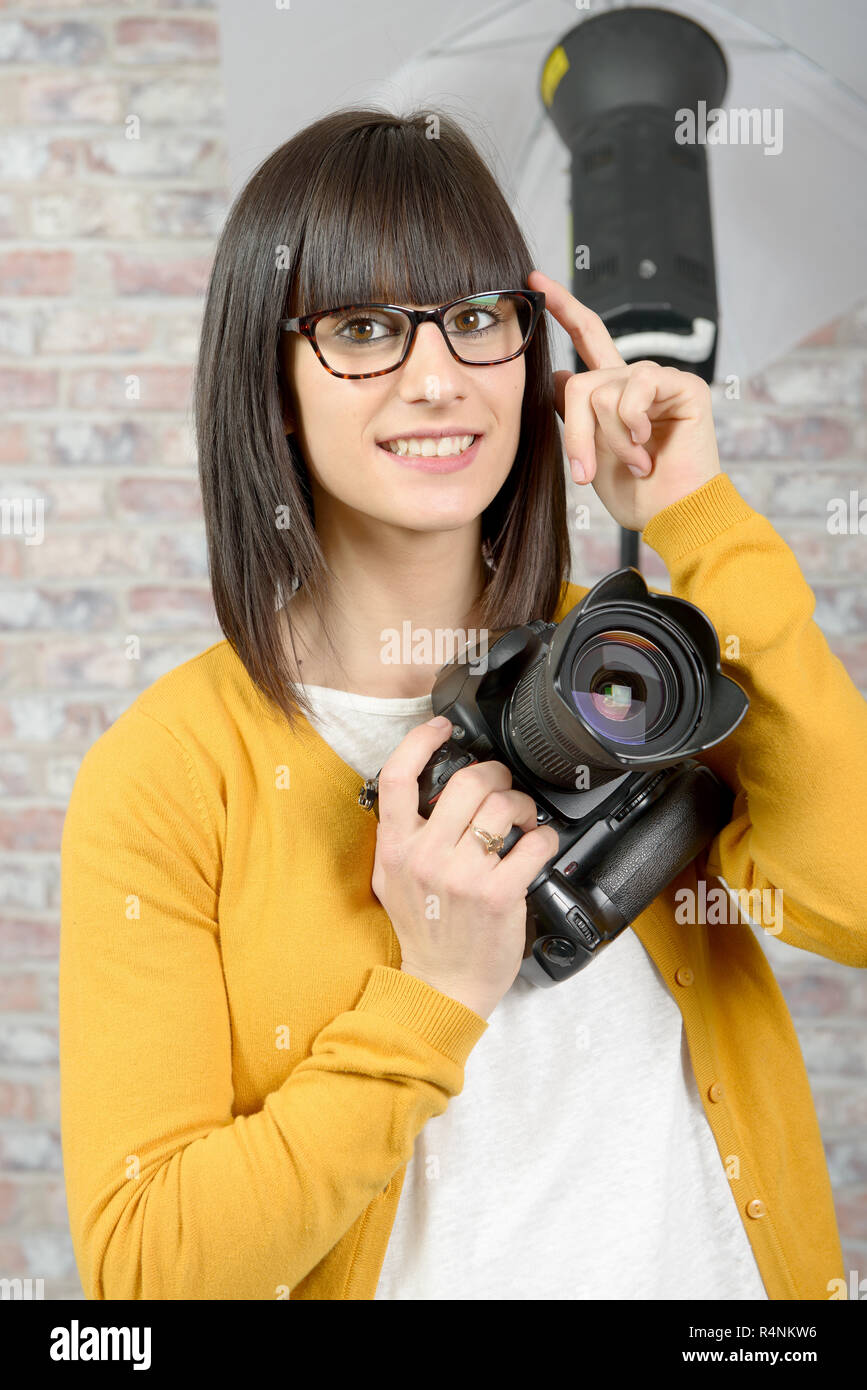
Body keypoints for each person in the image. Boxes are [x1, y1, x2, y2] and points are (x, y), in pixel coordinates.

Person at [59, 107, 867, 1302]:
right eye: (366, 330)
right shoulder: (176, 773)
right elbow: (148, 1275)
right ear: (273, 384)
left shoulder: (636, 658)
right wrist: (435, 995)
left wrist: (695, 511)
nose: (438, 379)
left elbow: (852, 898)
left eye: (478, 320)